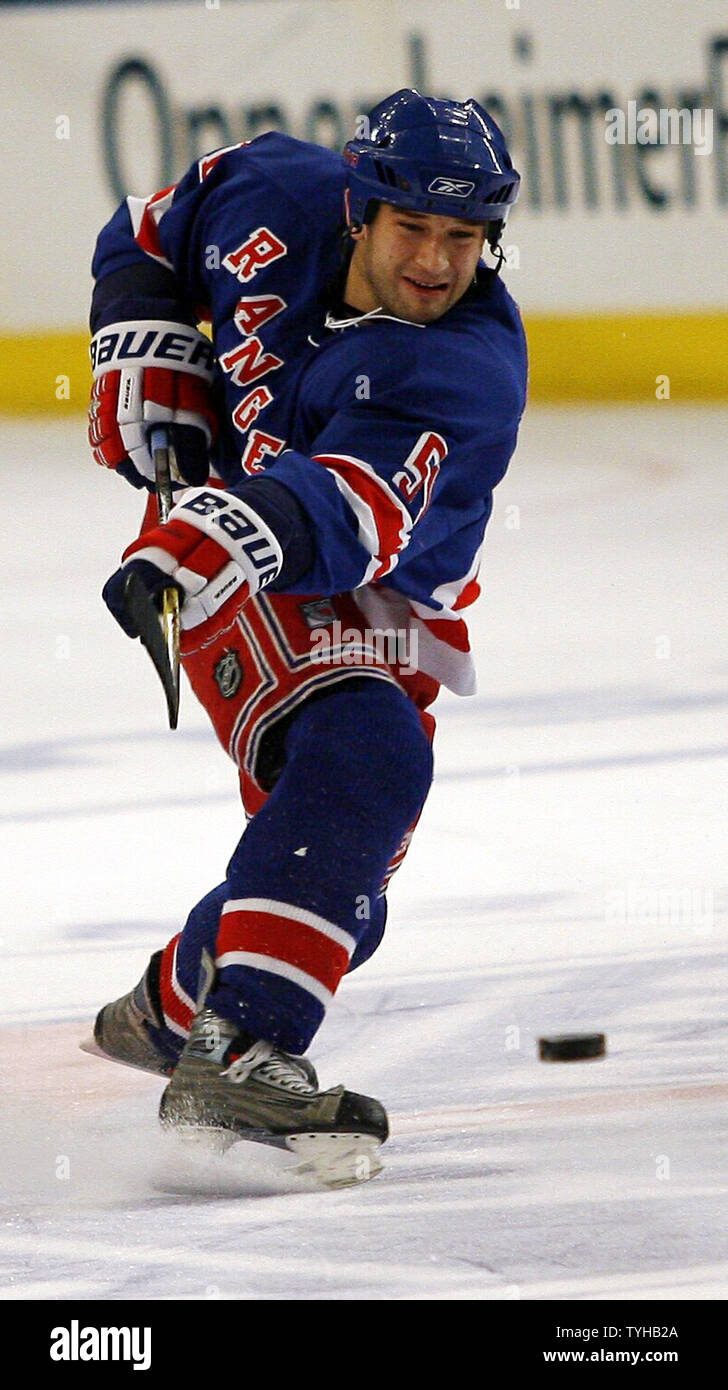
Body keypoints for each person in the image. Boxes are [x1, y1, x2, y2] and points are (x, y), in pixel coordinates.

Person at [82, 89, 527, 1187]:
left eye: (462, 237)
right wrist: (133, 335)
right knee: (365, 753)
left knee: (344, 880)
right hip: (223, 538)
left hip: (349, 574)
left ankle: (174, 1001)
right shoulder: (267, 190)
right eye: (412, 228)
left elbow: (342, 511)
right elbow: (148, 228)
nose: (434, 261)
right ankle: (243, 1046)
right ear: (357, 210)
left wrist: (197, 544)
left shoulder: (461, 367)